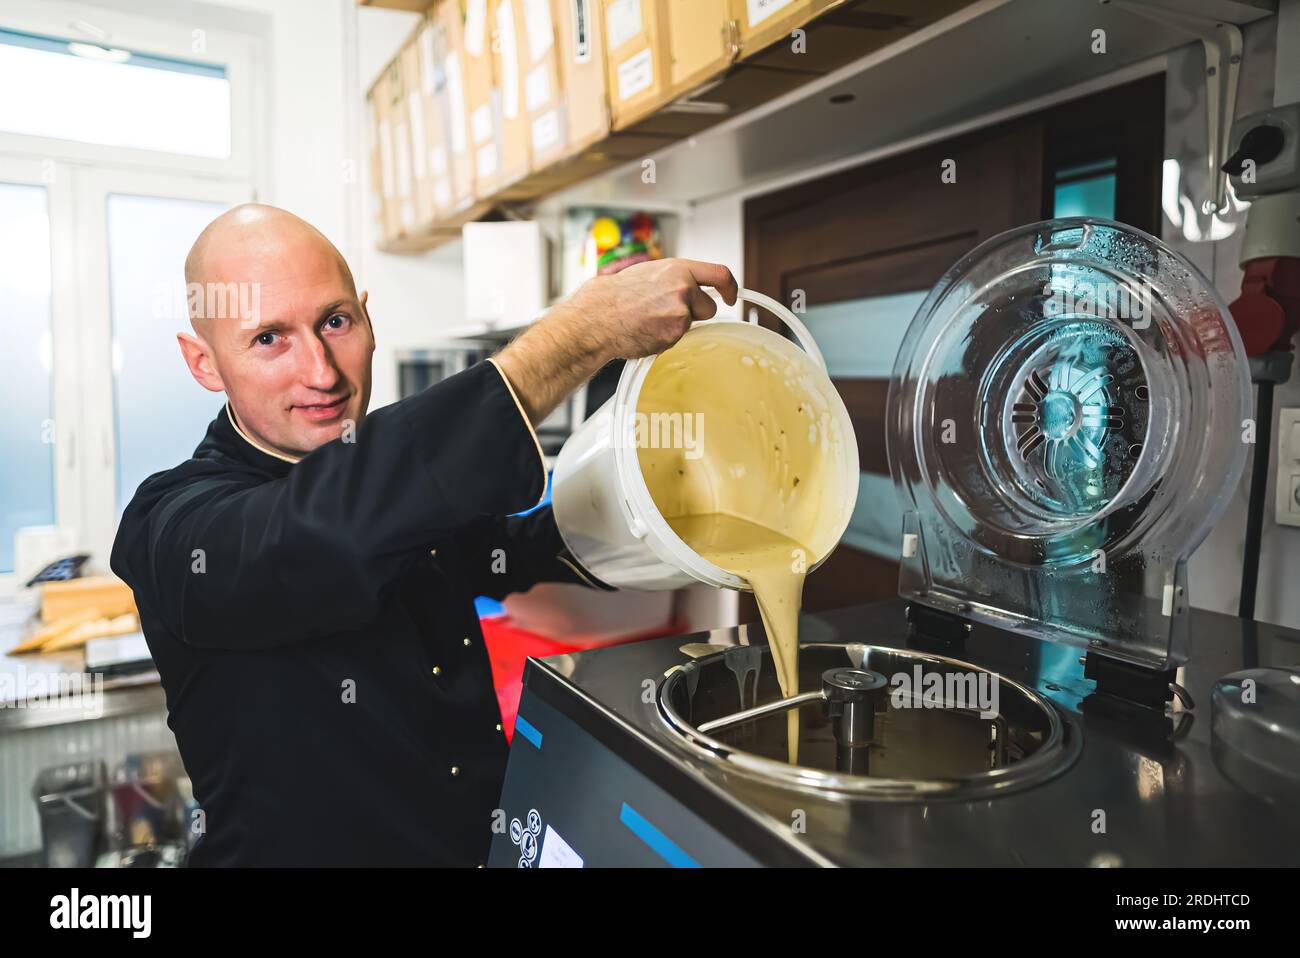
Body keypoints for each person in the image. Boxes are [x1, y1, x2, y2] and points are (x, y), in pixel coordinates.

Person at [110, 203, 738, 865]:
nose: (322, 372)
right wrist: (578, 337)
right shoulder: (174, 524)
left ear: (367, 317)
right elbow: (315, 536)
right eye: (269, 338)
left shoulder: (399, 490)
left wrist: (671, 501)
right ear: (204, 363)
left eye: (335, 321)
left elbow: (517, 544)